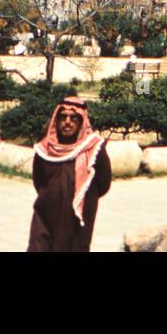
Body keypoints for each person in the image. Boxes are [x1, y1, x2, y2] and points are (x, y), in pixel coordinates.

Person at [27, 96, 111, 253]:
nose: (67, 122)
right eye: (63, 117)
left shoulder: (93, 149)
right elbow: (38, 181)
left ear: (81, 122)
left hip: (76, 218)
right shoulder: (44, 149)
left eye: (74, 118)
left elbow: (103, 184)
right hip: (45, 215)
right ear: (56, 120)